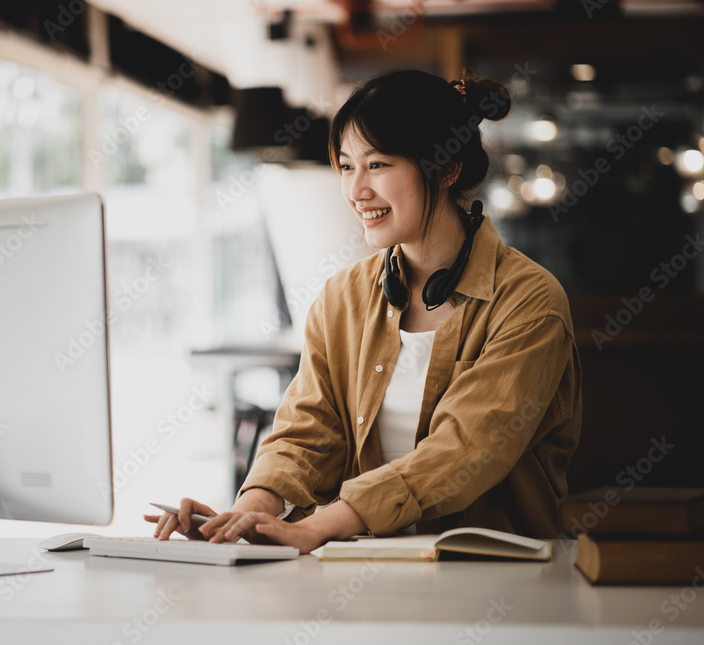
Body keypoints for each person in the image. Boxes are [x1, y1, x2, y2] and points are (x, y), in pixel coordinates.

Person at [146, 69, 582, 554]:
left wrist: (322, 526)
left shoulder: (530, 302)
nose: (356, 191)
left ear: (445, 168)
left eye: (376, 165)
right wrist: (249, 513)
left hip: (494, 580)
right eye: (347, 167)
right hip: (363, 572)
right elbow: (305, 432)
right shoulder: (343, 297)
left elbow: (465, 451)